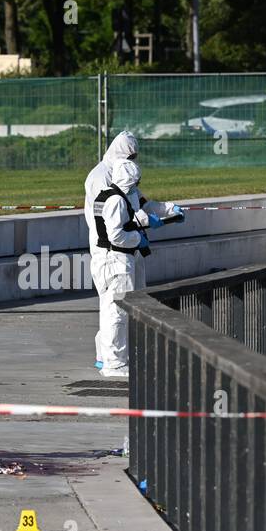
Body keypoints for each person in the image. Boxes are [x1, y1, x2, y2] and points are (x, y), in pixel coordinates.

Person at [83, 131, 184, 378]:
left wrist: (168, 210)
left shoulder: (122, 179)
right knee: (114, 309)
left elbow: (140, 204)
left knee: (129, 305)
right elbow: (114, 226)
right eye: (131, 156)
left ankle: (119, 356)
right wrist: (141, 230)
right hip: (112, 252)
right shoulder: (102, 179)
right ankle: (112, 360)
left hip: (127, 251)